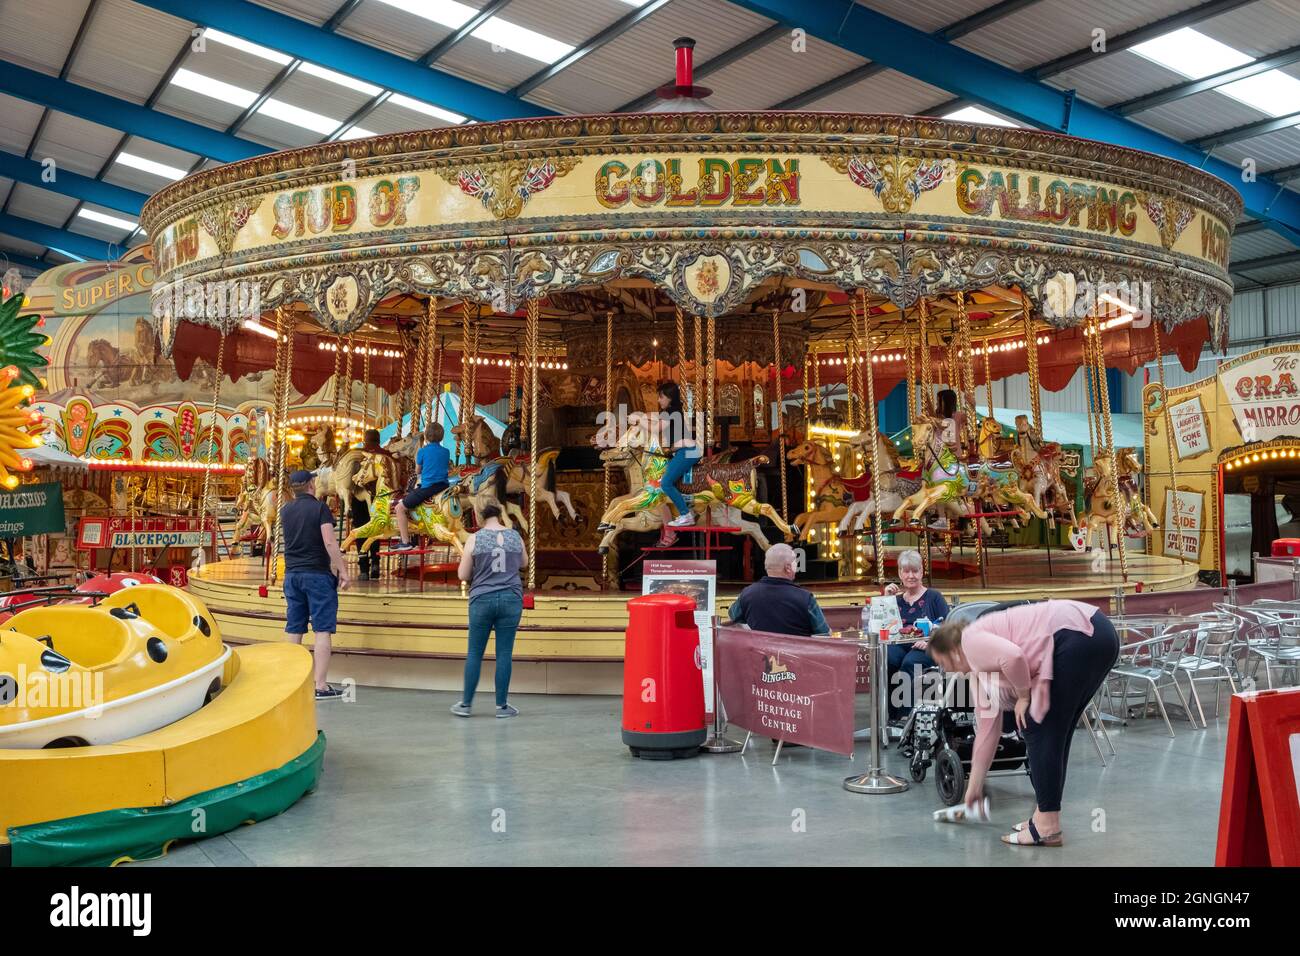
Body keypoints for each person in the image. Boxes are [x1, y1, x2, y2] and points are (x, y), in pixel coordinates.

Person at [926, 599, 1120, 848]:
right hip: (1097, 634)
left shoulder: (970, 640)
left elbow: (1014, 657)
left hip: (1077, 634)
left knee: (1036, 722)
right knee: (1056, 732)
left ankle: (1047, 825)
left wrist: (1023, 695)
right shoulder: (978, 674)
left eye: (942, 663)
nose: (945, 670)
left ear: (952, 651)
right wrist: (972, 791)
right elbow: (988, 732)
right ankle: (1044, 815)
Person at [280, 469, 351, 701]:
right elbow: (330, 542)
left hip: (292, 575)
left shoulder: (286, 510)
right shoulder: (320, 508)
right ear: (311, 484)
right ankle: (320, 685)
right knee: (322, 629)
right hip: (316, 575)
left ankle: (291, 681)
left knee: (295, 627)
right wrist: (343, 569)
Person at [451, 502, 526, 718]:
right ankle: (502, 707)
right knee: (504, 654)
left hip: (482, 598)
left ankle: (466, 705)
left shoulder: (475, 539)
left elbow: (463, 575)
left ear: (480, 516)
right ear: (500, 514)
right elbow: (524, 562)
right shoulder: (514, 536)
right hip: (511, 598)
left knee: (475, 652)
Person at [882, 549, 949, 726]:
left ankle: (906, 716)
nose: (911, 575)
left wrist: (929, 641)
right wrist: (887, 600)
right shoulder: (896, 600)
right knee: (887, 660)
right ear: (899, 574)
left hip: (927, 645)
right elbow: (884, 627)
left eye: (915, 571)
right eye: (906, 571)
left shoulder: (934, 597)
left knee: (909, 663)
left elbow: (947, 626)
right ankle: (890, 715)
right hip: (900, 644)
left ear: (922, 572)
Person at [728, 543, 830, 636]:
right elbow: (824, 634)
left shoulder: (747, 594)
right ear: (788, 568)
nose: (797, 564)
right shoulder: (805, 598)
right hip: (795, 655)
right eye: (795, 561)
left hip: (761, 655)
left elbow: (733, 615)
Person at [393, 423, 450, 551]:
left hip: (429, 487)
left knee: (399, 508)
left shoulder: (422, 451)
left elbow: (418, 471)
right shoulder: (446, 451)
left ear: (426, 436)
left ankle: (405, 541)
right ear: (441, 436)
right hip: (444, 485)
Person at [350, 428, 395, 580]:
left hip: (360, 498)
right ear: (379, 439)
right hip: (381, 498)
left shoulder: (359, 455)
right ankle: (375, 562)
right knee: (375, 530)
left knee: (360, 529)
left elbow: (353, 478)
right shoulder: (386, 455)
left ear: (364, 439)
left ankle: (363, 567)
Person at [655, 381, 700, 528]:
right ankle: (690, 511)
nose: (658, 400)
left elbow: (656, 428)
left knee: (666, 483)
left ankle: (685, 514)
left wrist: (638, 421)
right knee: (664, 475)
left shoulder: (669, 412)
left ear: (669, 397)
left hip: (688, 451)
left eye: (661, 397)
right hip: (685, 450)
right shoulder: (674, 412)